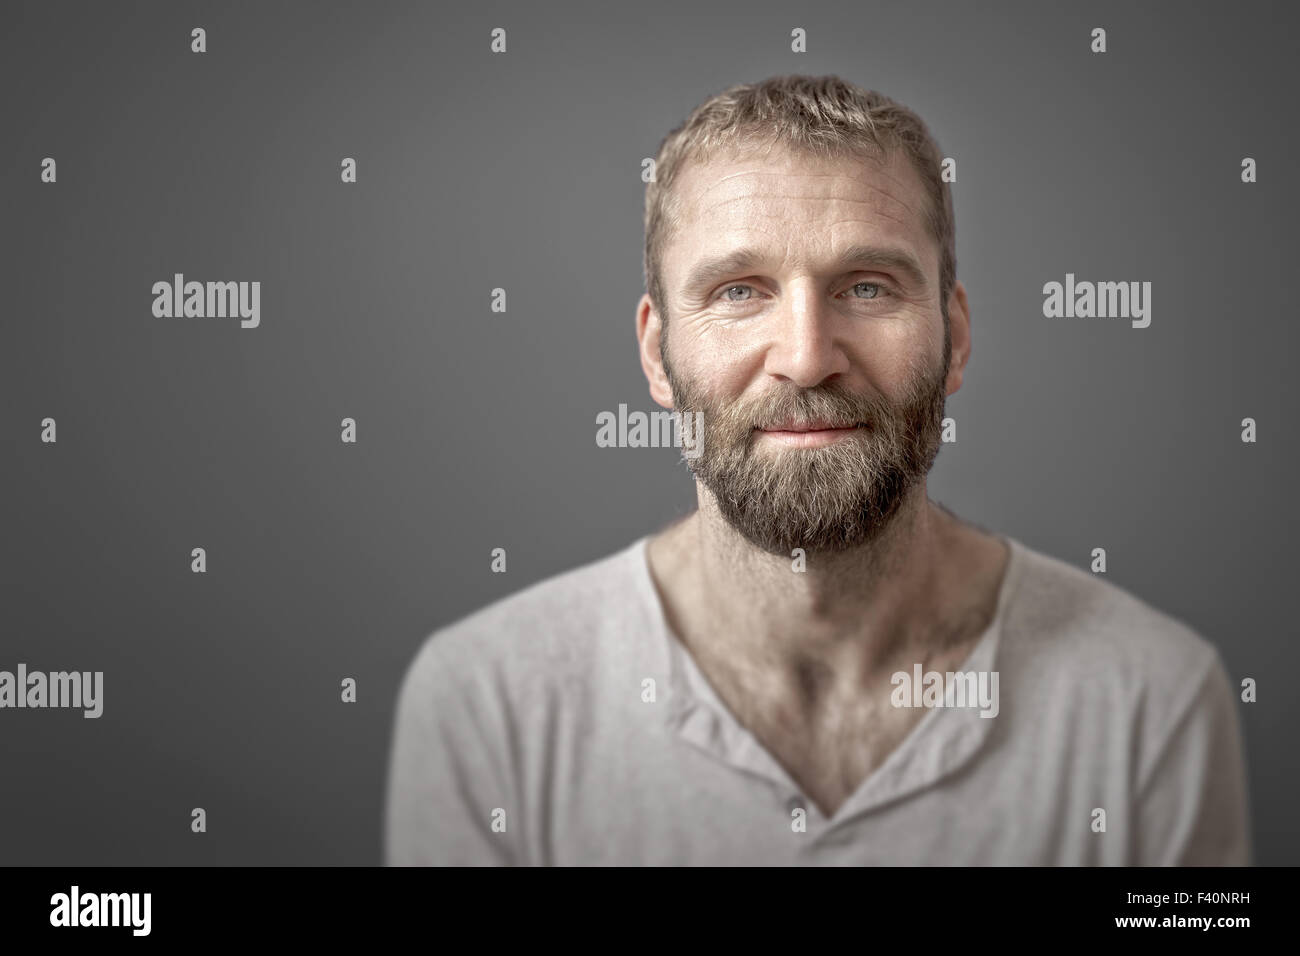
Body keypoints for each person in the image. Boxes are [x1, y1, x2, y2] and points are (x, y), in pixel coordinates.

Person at [384, 74, 1251, 865]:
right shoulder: (486, 705)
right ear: (657, 353)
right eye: (738, 291)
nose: (805, 358)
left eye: (868, 287)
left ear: (957, 335)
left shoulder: (1151, 702)